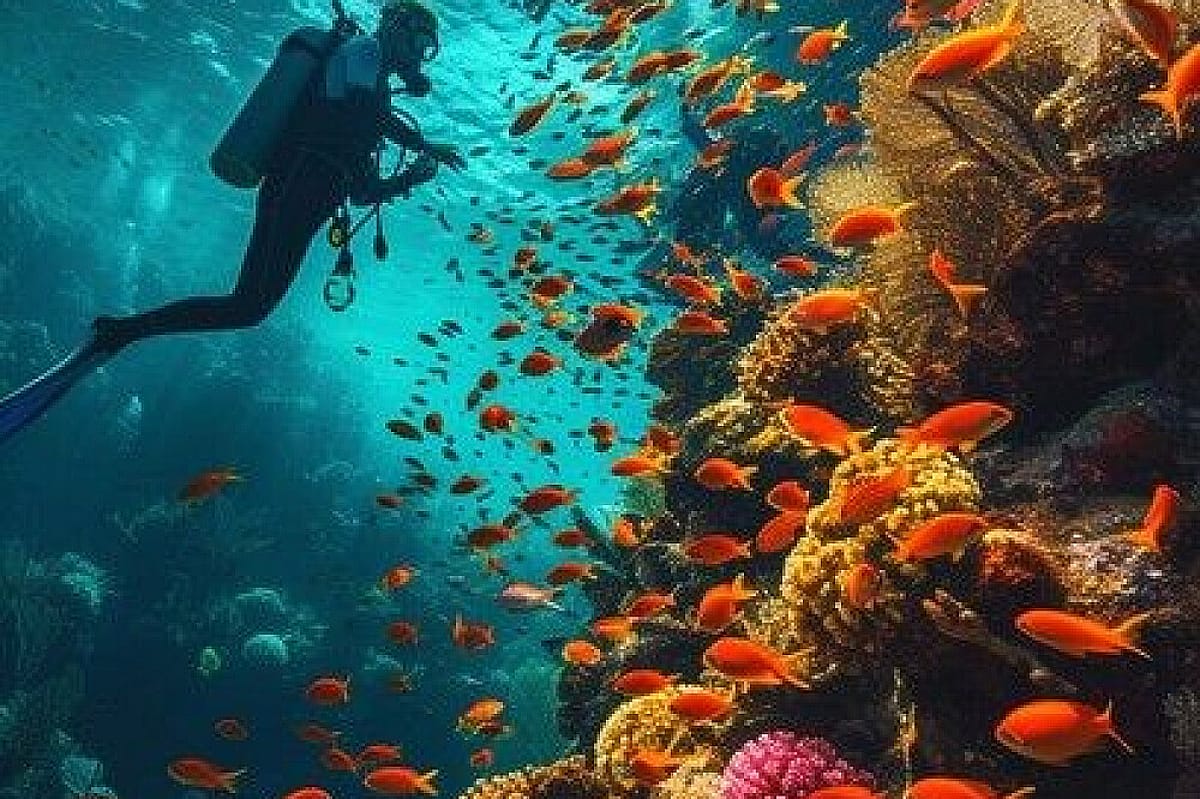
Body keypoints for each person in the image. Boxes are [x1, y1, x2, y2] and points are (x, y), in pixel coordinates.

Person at [0, 0, 463, 443]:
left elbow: (363, 192)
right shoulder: (362, 53)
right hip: (296, 185)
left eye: (425, 52)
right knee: (247, 304)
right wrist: (426, 146)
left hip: (315, 201)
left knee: (251, 308)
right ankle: (121, 332)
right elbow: (362, 113)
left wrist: (410, 178)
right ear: (397, 29)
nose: (419, 58)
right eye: (418, 45)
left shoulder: (378, 92)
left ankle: (123, 332)